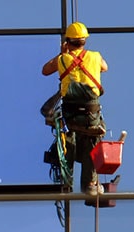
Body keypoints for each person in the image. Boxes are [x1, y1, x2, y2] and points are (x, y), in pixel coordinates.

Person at [41, 22, 109, 195]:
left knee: (68, 140)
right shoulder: (95, 56)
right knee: (93, 139)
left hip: (70, 115)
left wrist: (63, 53)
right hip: (90, 114)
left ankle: (66, 182)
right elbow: (105, 67)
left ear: (68, 41)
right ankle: (90, 184)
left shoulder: (62, 59)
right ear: (84, 41)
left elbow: (45, 70)